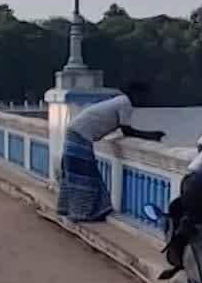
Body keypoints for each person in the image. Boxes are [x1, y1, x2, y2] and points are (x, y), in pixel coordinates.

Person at [56, 81, 165, 221]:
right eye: (144, 96)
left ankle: (74, 210)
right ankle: (83, 213)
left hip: (75, 132)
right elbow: (127, 131)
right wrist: (152, 135)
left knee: (76, 173)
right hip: (81, 135)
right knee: (85, 175)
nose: (144, 100)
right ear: (137, 94)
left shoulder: (118, 101)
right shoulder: (125, 103)